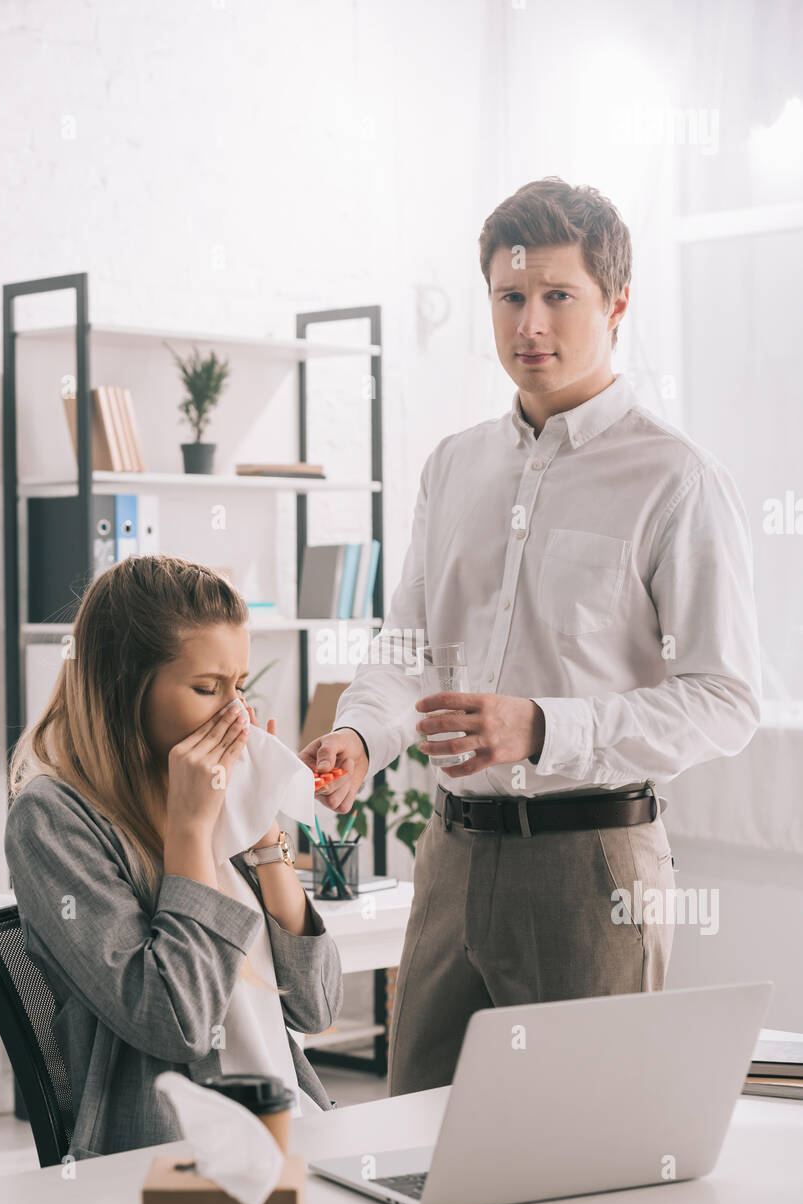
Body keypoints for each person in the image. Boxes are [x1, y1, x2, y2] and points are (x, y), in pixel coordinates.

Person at [299, 176, 761, 1097]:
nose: (529, 325)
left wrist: (544, 727)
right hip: (450, 857)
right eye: (510, 298)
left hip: (593, 869)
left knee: (585, 1154)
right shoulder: (452, 466)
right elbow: (405, 652)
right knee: (415, 1136)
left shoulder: (676, 479)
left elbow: (725, 698)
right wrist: (359, 736)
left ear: (616, 303)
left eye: (559, 296)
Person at [4, 556, 342, 1159]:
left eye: (240, 688)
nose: (233, 715)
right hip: (175, 1159)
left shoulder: (220, 794)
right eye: (207, 689)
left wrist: (263, 835)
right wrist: (191, 829)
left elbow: (316, 1007)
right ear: (122, 686)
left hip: (291, 1135)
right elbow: (175, 1023)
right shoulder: (52, 820)